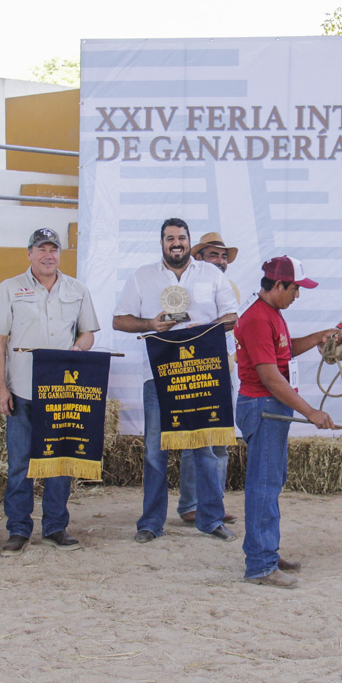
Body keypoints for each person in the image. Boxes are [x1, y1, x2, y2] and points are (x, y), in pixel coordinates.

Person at [112, 218, 239, 543]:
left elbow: (232, 316)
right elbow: (119, 320)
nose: (176, 243)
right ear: (162, 243)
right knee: (155, 451)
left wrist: (200, 332)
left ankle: (210, 519)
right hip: (158, 376)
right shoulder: (143, 276)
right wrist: (151, 323)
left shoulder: (211, 275)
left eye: (181, 237)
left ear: (188, 241)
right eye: (170, 238)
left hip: (203, 374)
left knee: (205, 449)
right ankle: (150, 523)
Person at [0, 228, 101, 557]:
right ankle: (18, 529)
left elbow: (88, 332)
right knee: (20, 464)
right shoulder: (9, 289)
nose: (48, 255)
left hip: (63, 391)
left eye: (54, 249)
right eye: (41, 249)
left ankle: (55, 527)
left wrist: (79, 347)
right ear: (29, 254)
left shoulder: (77, 289)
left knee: (60, 462)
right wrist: (0, 388)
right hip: (21, 390)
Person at [234, 256, 339, 588]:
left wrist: (317, 337)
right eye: (295, 289)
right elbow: (270, 376)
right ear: (278, 285)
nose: (297, 295)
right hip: (264, 405)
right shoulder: (256, 319)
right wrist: (311, 412)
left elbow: (282, 353)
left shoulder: (270, 314)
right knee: (264, 485)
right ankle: (261, 566)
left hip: (270, 406)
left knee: (270, 482)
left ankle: (266, 552)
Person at [175, 231, 242, 525]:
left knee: (219, 441)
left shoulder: (228, 286)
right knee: (195, 439)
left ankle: (212, 503)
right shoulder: (183, 284)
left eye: (224, 256)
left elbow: (234, 321)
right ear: (198, 257)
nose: (221, 260)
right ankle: (190, 504)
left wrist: (231, 358)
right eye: (214, 254)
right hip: (191, 366)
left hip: (221, 365)